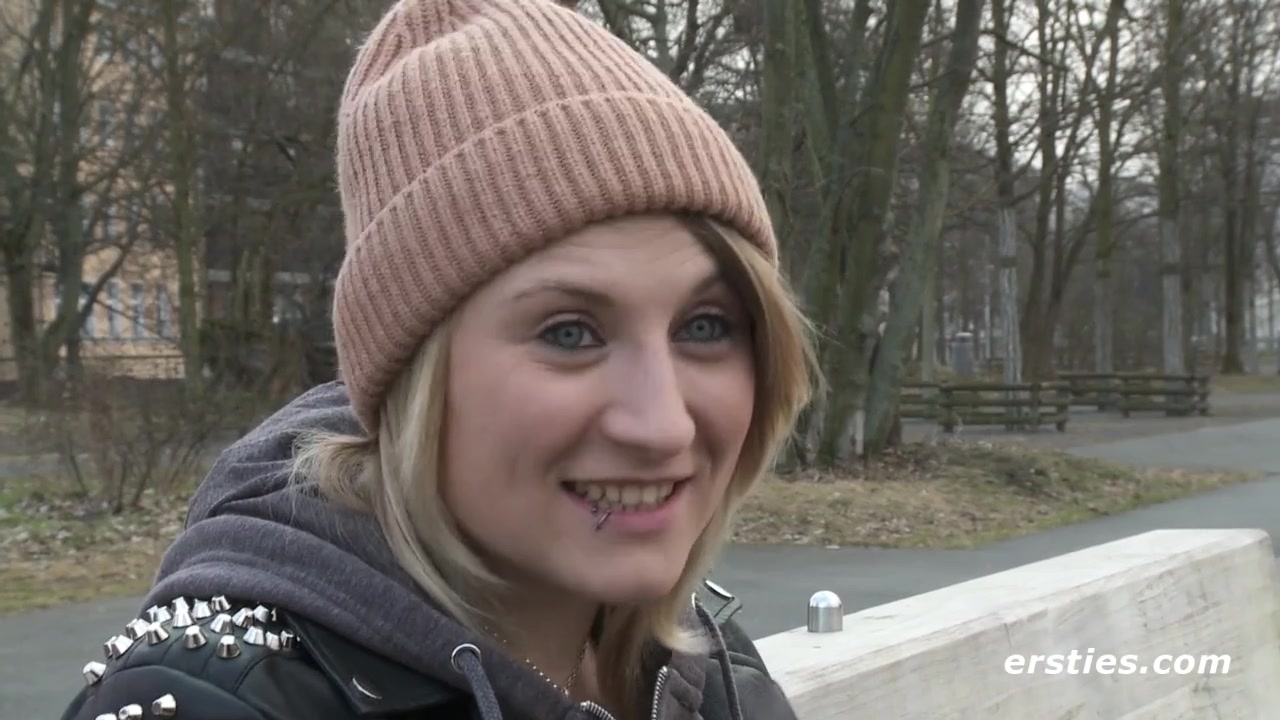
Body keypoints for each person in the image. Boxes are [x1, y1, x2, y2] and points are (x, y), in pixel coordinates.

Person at [61, 0, 817, 718]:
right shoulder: (221, 702)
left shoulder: (701, 666)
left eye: (706, 326)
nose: (663, 426)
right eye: (569, 333)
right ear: (412, 375)